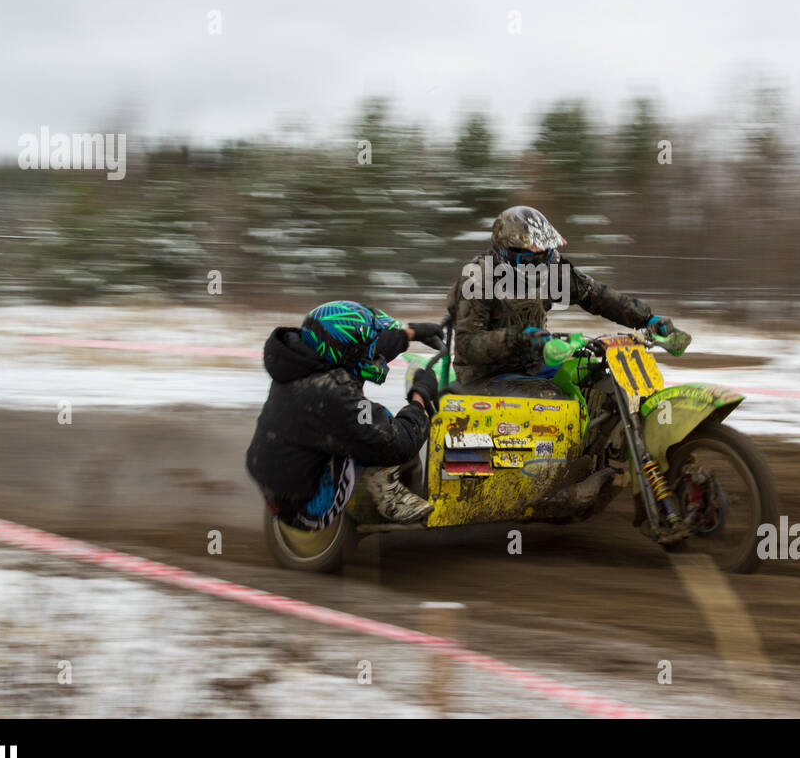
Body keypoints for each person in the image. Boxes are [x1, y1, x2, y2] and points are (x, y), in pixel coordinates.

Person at [245, 300, 444, 528]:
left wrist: (412, 333)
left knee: (366, 420)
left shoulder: (303, 363)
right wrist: (420, 396)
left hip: (279, 479)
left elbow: (369, 349)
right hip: (307, 508)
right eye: (365, 349)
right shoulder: (335, 396)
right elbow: (400, 443)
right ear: (345, 351)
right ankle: (389, 499)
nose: (373, 356)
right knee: (381, 425)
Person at [445, 206, 682, 394]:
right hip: (486, 375)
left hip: (535, 365)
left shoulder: (551, 272)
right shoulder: (477, 279)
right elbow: (468, 345)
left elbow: (595, 295)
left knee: (601, 382)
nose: (540, 265)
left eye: (545, 256)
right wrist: (519, 337)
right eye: (531, 259)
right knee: (556, 403)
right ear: (506, 254)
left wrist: (646, 317)